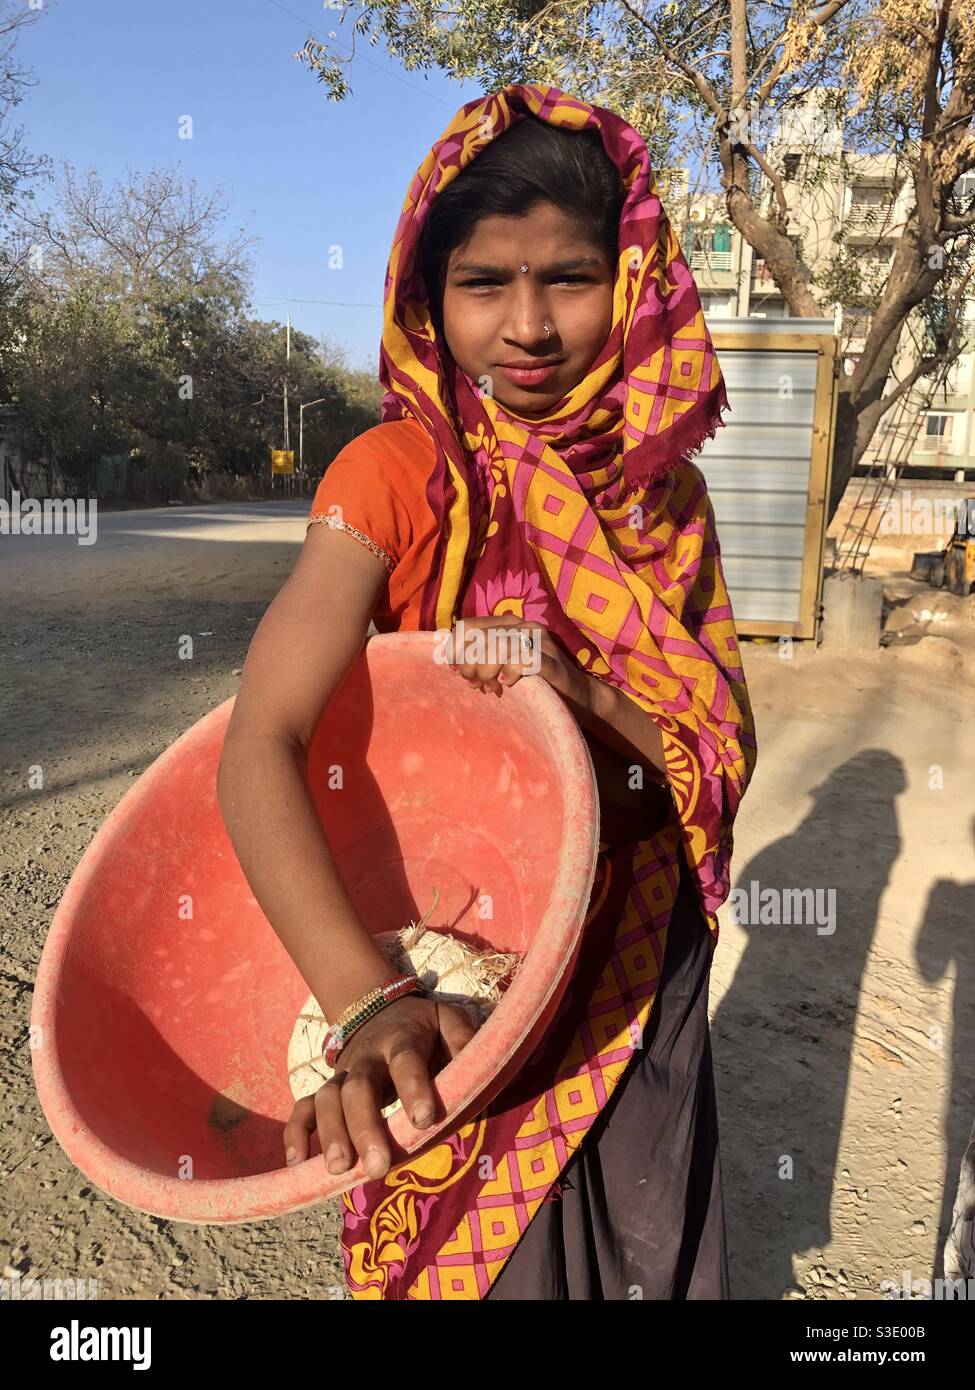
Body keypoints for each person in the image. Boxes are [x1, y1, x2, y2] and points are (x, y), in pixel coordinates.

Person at [216, 82, 758, 1301]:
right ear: (428, 291)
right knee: (486, 1253)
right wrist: (370, 1005)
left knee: (640, 1231)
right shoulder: (399, 472)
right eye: (483, 284)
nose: (527, 325)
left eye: (567, 277)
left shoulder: (660, 492)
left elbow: (713, 753)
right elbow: (262, 742)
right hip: (455, 958)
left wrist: (574, 688)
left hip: (628, 942)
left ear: (626, 285)